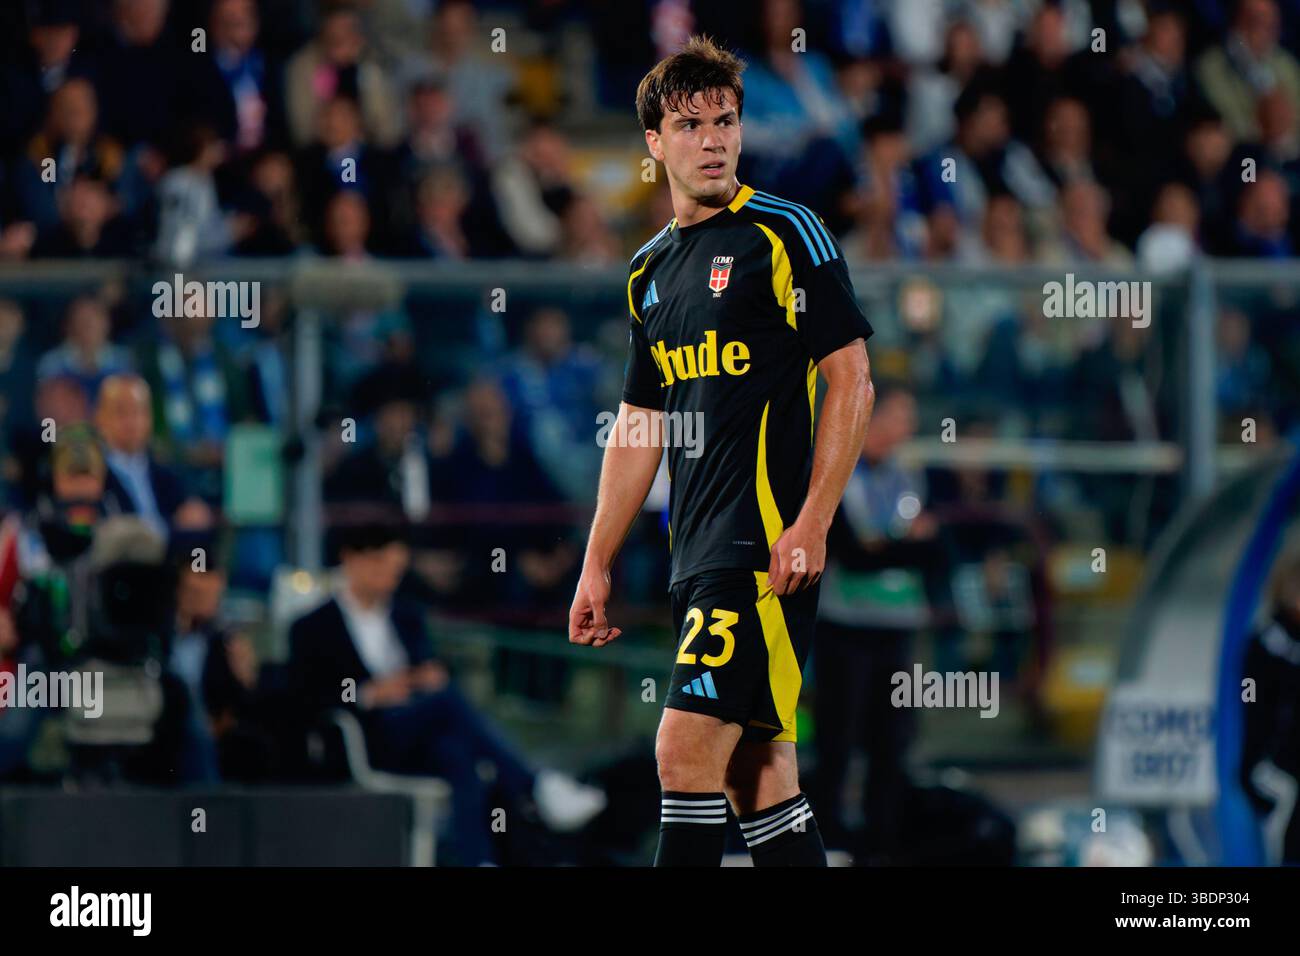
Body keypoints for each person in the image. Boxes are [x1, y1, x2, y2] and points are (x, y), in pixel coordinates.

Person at [568, 36, 875, 867]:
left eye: (727, 121)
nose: (713, 139)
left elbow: (851, 378)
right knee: (758, 774)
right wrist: (597, 562)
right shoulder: (647, 274)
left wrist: (812, 521)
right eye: (691, 123)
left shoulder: (785, 233)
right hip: (694, 553)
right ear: (654, 144)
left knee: (682, 748)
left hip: (764, 547)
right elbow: (639, 424)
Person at [289, 523, 606, 866]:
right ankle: (535, 787)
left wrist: (424, 678)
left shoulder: (406, 615)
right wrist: (367, 694)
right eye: (382, 567)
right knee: (447, 703)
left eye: (396, 570)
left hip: (423, 730)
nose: (390, 579)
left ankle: (480, 861)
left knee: (458, 755)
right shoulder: (314, 626)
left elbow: (432, 666)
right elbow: (305, 697)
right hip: (368, 732)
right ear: (352, 559)